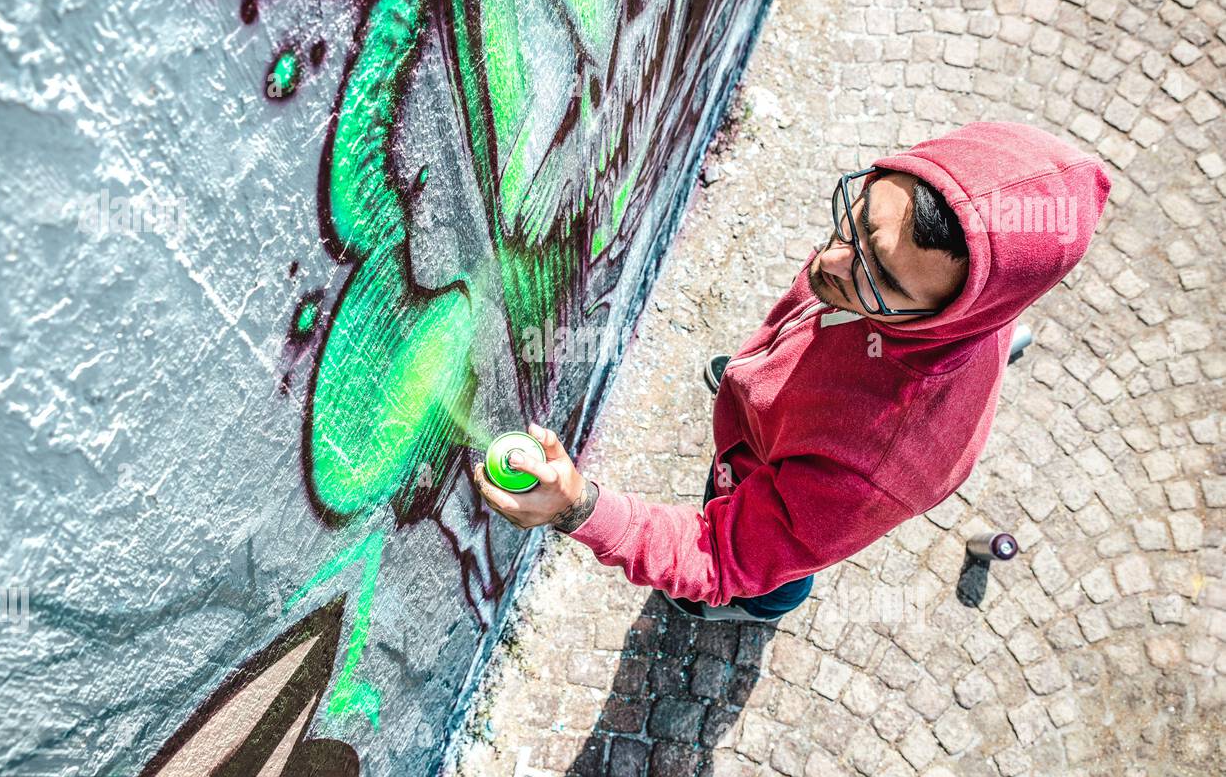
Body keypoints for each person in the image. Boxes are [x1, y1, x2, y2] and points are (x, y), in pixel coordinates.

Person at [472, 121, 1111, 623]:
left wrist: (578, 507)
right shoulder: (913, 279)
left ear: (959, 312)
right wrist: (762, 379)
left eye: (880, 280)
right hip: (776, 431)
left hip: (793, 486)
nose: (829, 264)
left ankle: (763, 607)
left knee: (767, 575)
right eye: (857, 221)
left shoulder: (872, 466)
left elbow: (722, 553)